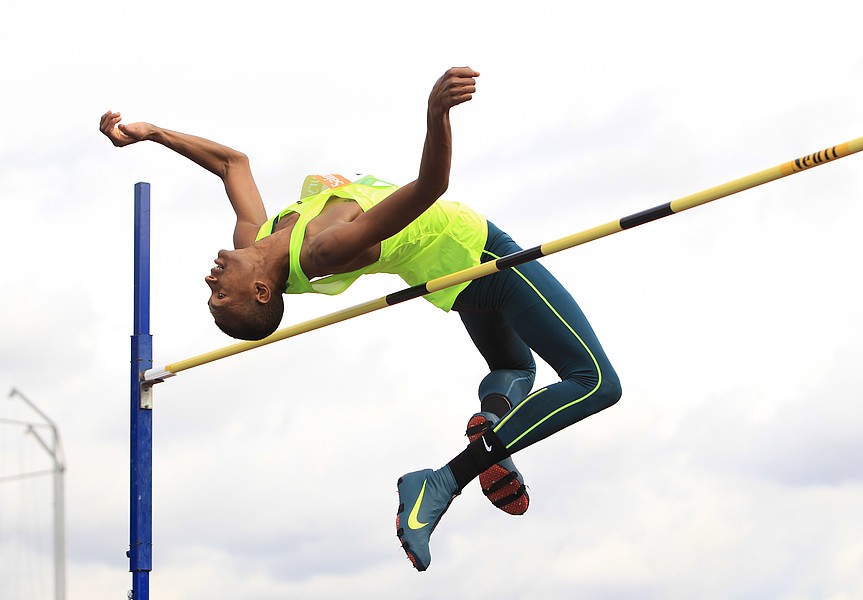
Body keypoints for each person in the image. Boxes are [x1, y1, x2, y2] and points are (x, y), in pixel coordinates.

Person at [100, 67, 622, 571]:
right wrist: (436, 113)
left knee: (513, 369)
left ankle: (491, 433)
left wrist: (152, 134)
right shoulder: (326, 250)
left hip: (453, 282)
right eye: (220, 297)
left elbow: (233, 164)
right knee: (595, 382)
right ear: (261, 292)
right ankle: (444, 480)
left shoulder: (256, 241)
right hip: (482, 255)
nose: (210, 283)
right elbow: (429, 186)